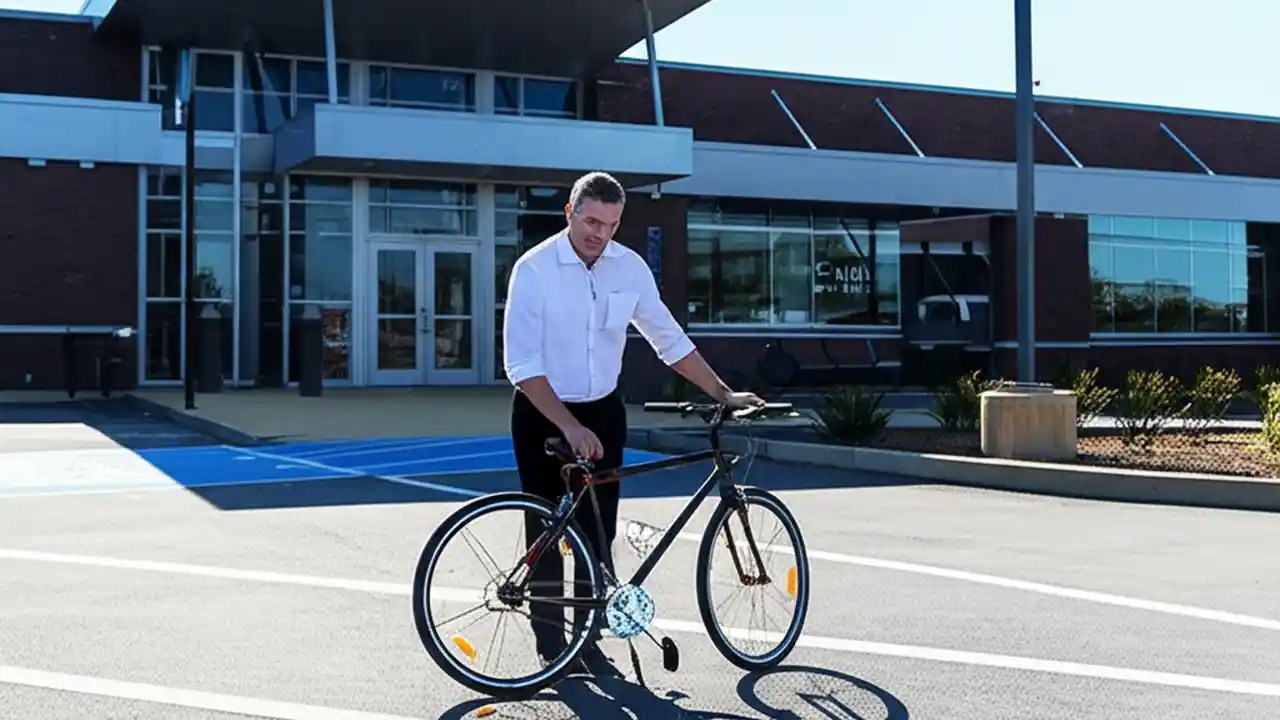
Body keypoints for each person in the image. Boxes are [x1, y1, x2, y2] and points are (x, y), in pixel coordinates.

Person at [502, 171, 763, 667]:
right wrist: (567, 426)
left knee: (600, 531)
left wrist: (723, 392)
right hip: (542, 410)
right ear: (570, 213)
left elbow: (668, 339)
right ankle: (552, 649)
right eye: (591, 220)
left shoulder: (630, 269)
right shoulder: (533, 270)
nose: (600, 233)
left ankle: (589, 637)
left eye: (612, 224)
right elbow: (522, 367)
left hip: (602, 410)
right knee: (547, 529)